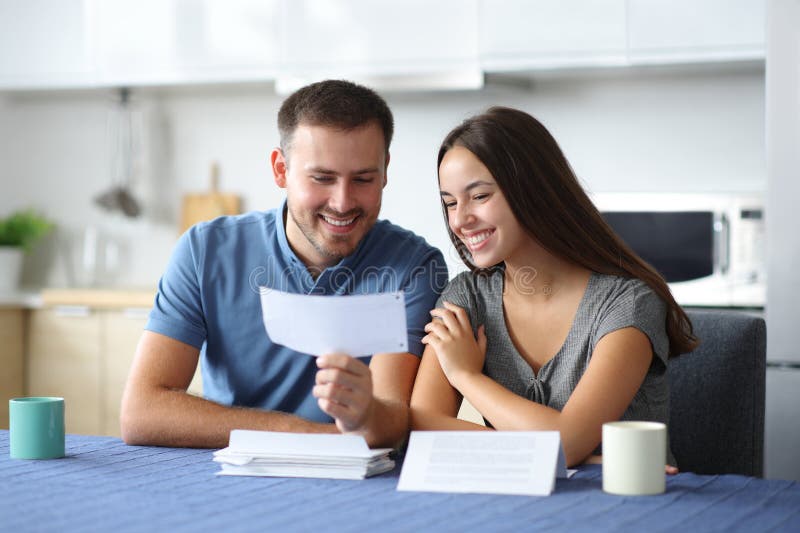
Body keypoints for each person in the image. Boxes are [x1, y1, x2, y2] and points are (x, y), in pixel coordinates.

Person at [121, 80, 447, 449]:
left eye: (363, 179)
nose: (342, 202)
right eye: (322, 178)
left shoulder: (413, 267)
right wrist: (305, 434)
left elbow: (393, 418)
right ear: (281, 169)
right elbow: (142, 413)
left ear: (385, 171)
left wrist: (366, 413)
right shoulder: (205, 250)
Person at [409, 106, 697, 468]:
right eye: (450, 203)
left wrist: (465, 375)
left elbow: (566, 444)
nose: (461, 220)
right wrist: (570, 454)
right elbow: (421, 429)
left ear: (533, 189)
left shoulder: (627, 305)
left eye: (479, 196)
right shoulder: (466, 297)